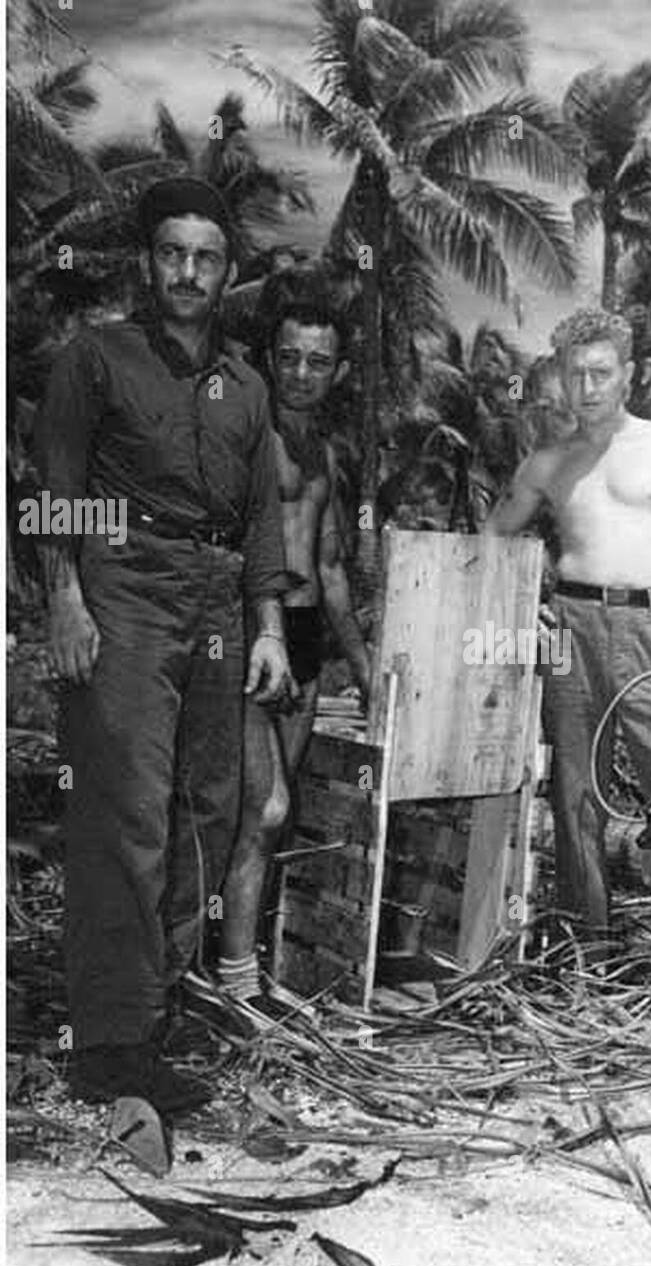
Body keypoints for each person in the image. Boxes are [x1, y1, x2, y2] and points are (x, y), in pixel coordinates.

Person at [35, 176, 293, 1111]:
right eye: (172, 253)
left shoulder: (248, 389)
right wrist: (64, 602)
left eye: (207, 257)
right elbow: (55, 490)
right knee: (125, 814)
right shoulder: (93, 359)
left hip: (218, 603)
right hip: (124, 591)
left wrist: (270, 629)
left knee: (209, 812)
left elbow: (263, 518)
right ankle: (111, 1049)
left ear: (228, 273)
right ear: (150, 263)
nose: (188, 271)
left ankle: (162, 1013)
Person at [485, 307, 651, 947]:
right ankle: (585, 955)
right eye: (575, 374)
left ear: (629, 374)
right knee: (575, 794)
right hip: (570, 627)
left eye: (601, 372)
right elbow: (491, 540)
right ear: (559, 379)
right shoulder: (547, 463)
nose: (587, 387)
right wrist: (522, 602)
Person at [208, 275, 371, 1024]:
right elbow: (236, 546)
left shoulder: (327, 453)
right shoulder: (247, 431)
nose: (301, 373)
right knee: (262, 807)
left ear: (336, 370)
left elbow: (332, 567)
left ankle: (247, 965)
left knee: (281, 807)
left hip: (305, 637)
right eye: (290, 358)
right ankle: (233, 980)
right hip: (252, 629)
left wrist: (363, 669)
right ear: (269, 360)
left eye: (317, 361)